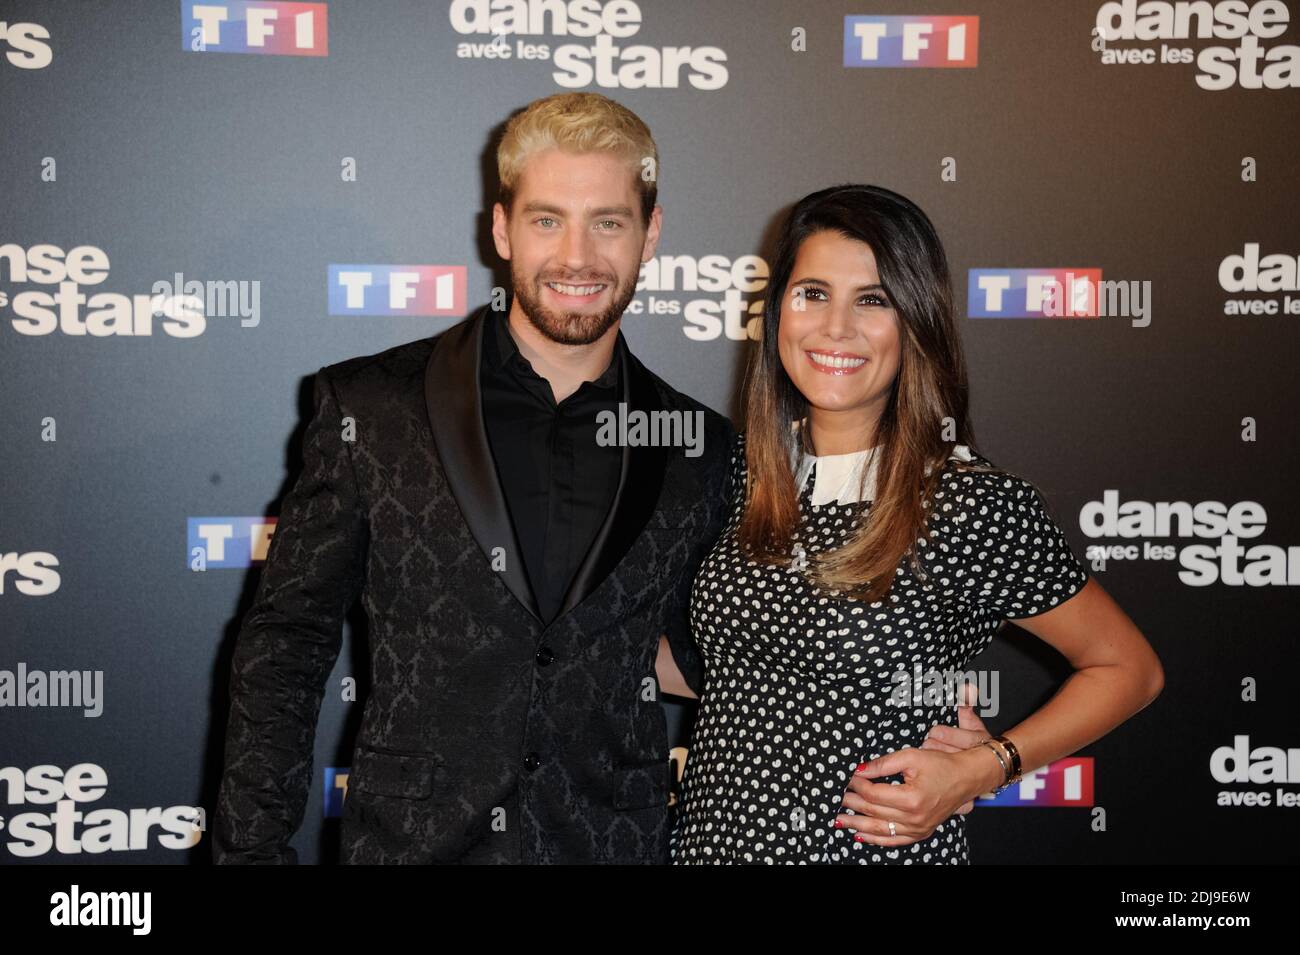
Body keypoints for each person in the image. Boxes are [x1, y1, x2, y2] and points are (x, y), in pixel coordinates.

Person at [213, 93, 983, 864]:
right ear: (502, 228)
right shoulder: (372, 406)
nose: (577, 256)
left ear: (650, 234)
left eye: (608, 222)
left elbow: (726, 651)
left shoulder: (703, 449)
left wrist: (936, 727)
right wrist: (251, 854)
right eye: (548, 219)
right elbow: (286, 643)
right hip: (412, 846)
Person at [660, 184, 1164, 864]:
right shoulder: (737, 477)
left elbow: (1128, 668)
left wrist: (986, 765)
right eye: (812, 293)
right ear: (778, 308)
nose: (836, 328)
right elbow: (729, 669)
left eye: (873, 300)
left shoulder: (964, 502)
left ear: (916, 319)